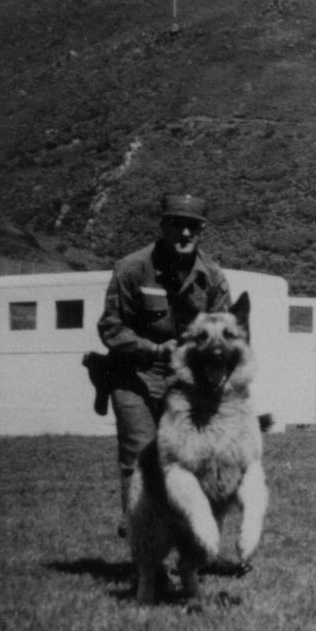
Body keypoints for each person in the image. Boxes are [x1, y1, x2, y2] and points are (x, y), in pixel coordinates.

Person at [97, 193, 231, 537]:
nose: (184, 233)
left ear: (201, 231)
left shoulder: (212, 279)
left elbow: (226, 335)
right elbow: (111, 327)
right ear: (163, 226)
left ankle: (199, 547)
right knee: (141, 458)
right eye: (177, 225)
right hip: (134, 376)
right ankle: (144, 552)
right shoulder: (132, 268)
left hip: (188, 384)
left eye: (192, 227)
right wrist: (156, 350)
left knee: (195, 463)